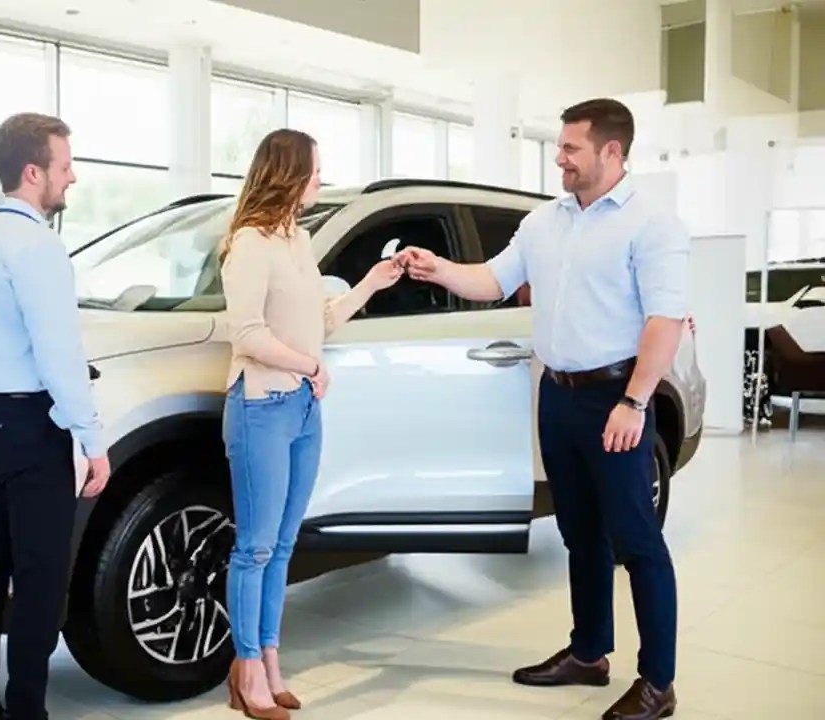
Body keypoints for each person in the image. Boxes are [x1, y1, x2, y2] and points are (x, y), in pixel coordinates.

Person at [396, 98, 686, 720]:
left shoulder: (650, 223)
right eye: (559, 146)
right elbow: (493, 280)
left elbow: (665, 321)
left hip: (617, 397)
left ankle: (658, 682)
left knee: (635, 541)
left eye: (570, 148)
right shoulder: (544, 222)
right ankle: (589, 653)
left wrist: (635, 401)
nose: (559, 157)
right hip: (557, 396)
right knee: (578, 532)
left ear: (612, 151)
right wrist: (437, 267)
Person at [219, 128, 402, 719]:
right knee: (254, 548)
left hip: (301, 407)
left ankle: (270, 662)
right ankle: (247, 672)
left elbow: (317, 319)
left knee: (283, 545)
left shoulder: (296, 239)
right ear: (288, 173)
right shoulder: (249, 242)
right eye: (316, 171)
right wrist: (308, 366)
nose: (320, 181)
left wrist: (373, 282)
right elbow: (245, 333)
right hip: (261, 406)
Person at [0, 111, 111, 720]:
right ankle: (27, 711)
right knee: (41, 577)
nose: (72, 178)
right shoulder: (38, 246)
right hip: (28, 423)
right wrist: (93, 441)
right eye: (64, 167)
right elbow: (59, 354)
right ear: (33, 172)